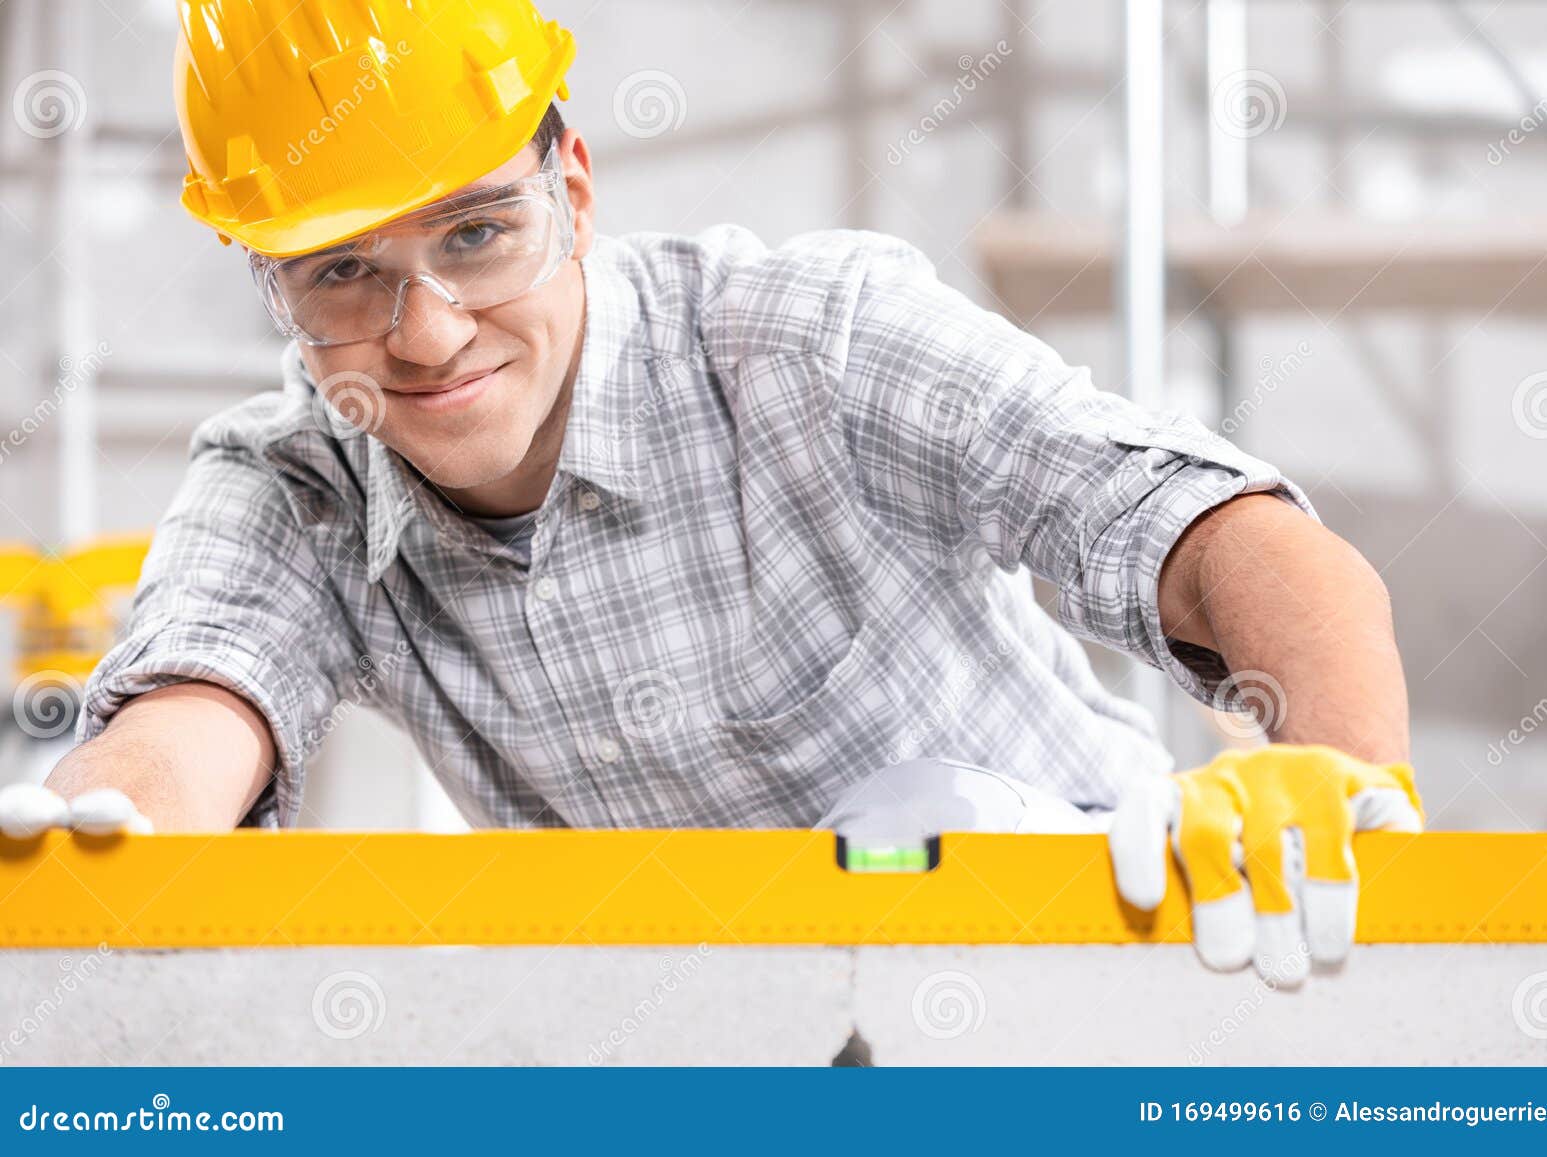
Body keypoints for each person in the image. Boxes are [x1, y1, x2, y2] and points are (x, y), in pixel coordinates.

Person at [0, 0, 1421, 982]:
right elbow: (194, 709)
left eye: (480, 234)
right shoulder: (295, 481)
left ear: (576, 187)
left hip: (1119, 990)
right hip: (734, 1054)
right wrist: (92, 839)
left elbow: (1211, 530)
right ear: (271, 287)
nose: (426, 333)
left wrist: (1338, 783)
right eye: (340, 272)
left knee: (926, 801)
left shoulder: (808, 342)